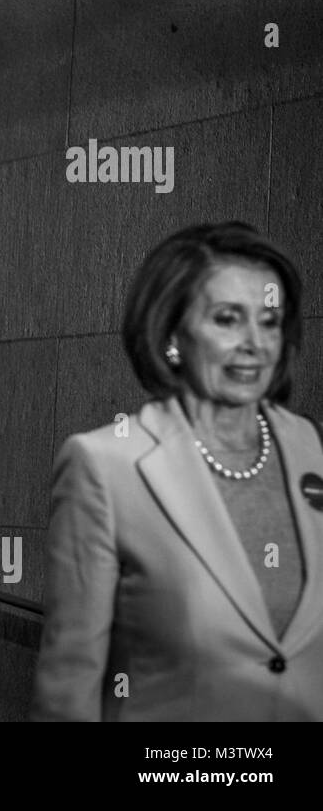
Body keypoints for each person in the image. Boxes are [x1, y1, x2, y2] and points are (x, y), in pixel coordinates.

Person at [32, 222, 323, 721]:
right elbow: (69, 685)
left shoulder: (310, 447)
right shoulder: (104, 465)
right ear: (171, 337)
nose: (255, 342)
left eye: (270, 321)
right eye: (228, 319)